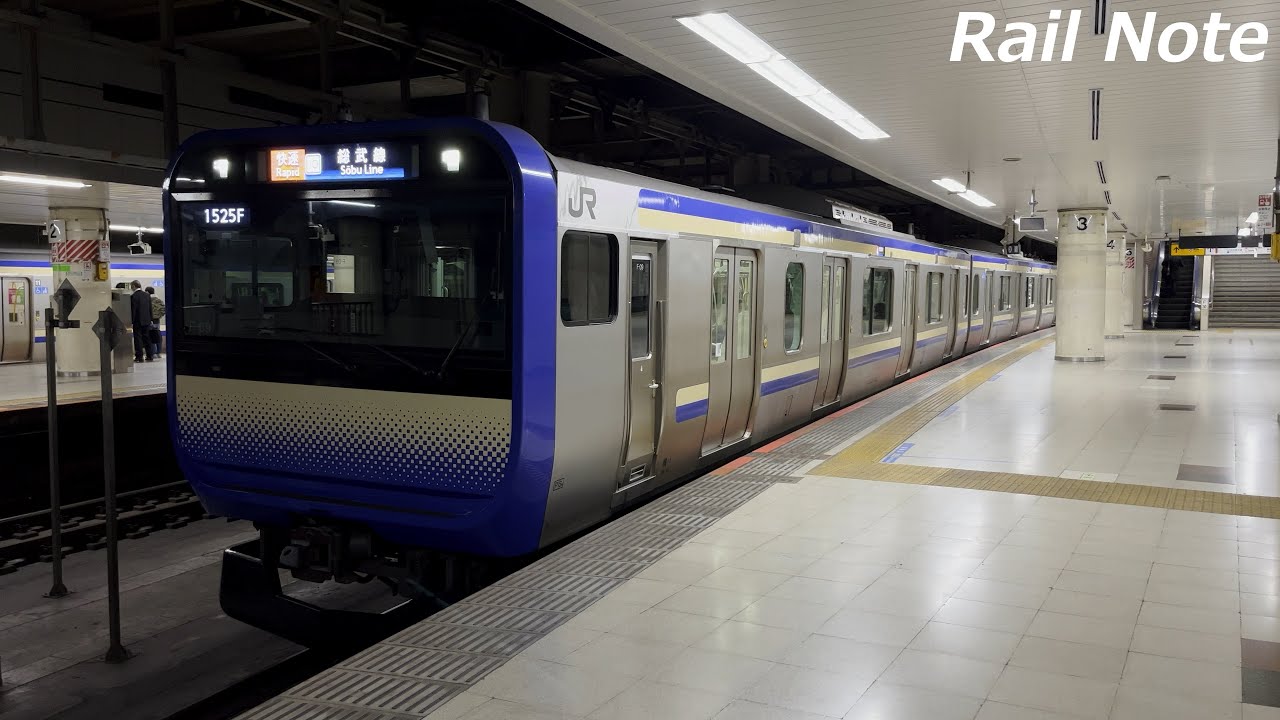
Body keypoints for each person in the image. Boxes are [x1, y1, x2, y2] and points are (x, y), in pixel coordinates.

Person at [128, 280, 154, 362]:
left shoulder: (133, 296)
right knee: (147, 338)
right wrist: (151, 319)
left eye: (131, 286)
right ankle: (150, 356)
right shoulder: (147, 295)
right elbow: (150, 309)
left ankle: (139, 357)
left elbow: (133, 310)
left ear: (134, 286)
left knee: (138, 339)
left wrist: (131, 321)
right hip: (147, 320)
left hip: (137, 321)